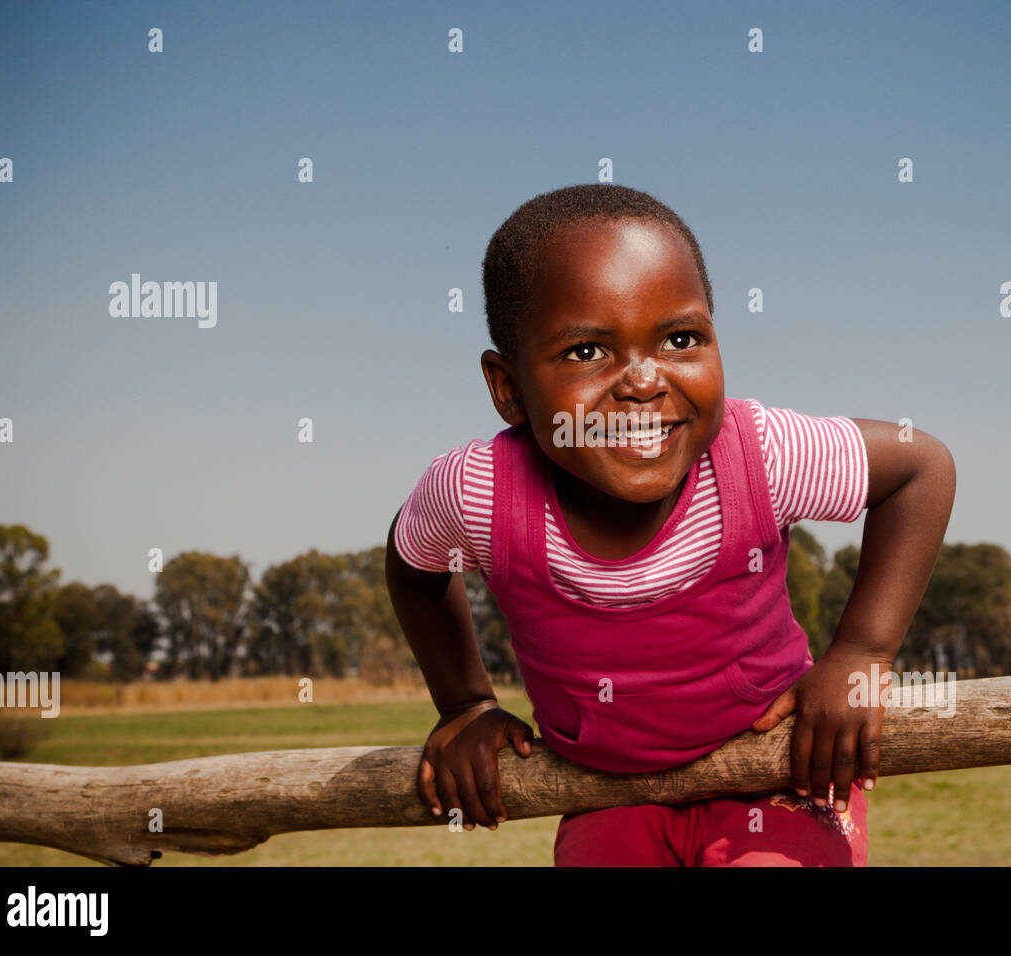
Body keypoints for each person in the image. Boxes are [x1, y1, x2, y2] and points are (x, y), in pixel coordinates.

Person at [384, 183, 956, 866]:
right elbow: (412, 564)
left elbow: (921, 468)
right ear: (508, 387)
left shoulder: (760, 456)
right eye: (587, 351)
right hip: (608, 794)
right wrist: (466, 705)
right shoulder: (479, 492)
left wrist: (861, 655)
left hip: (777, 771)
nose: (644, 382)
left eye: (681, 338)